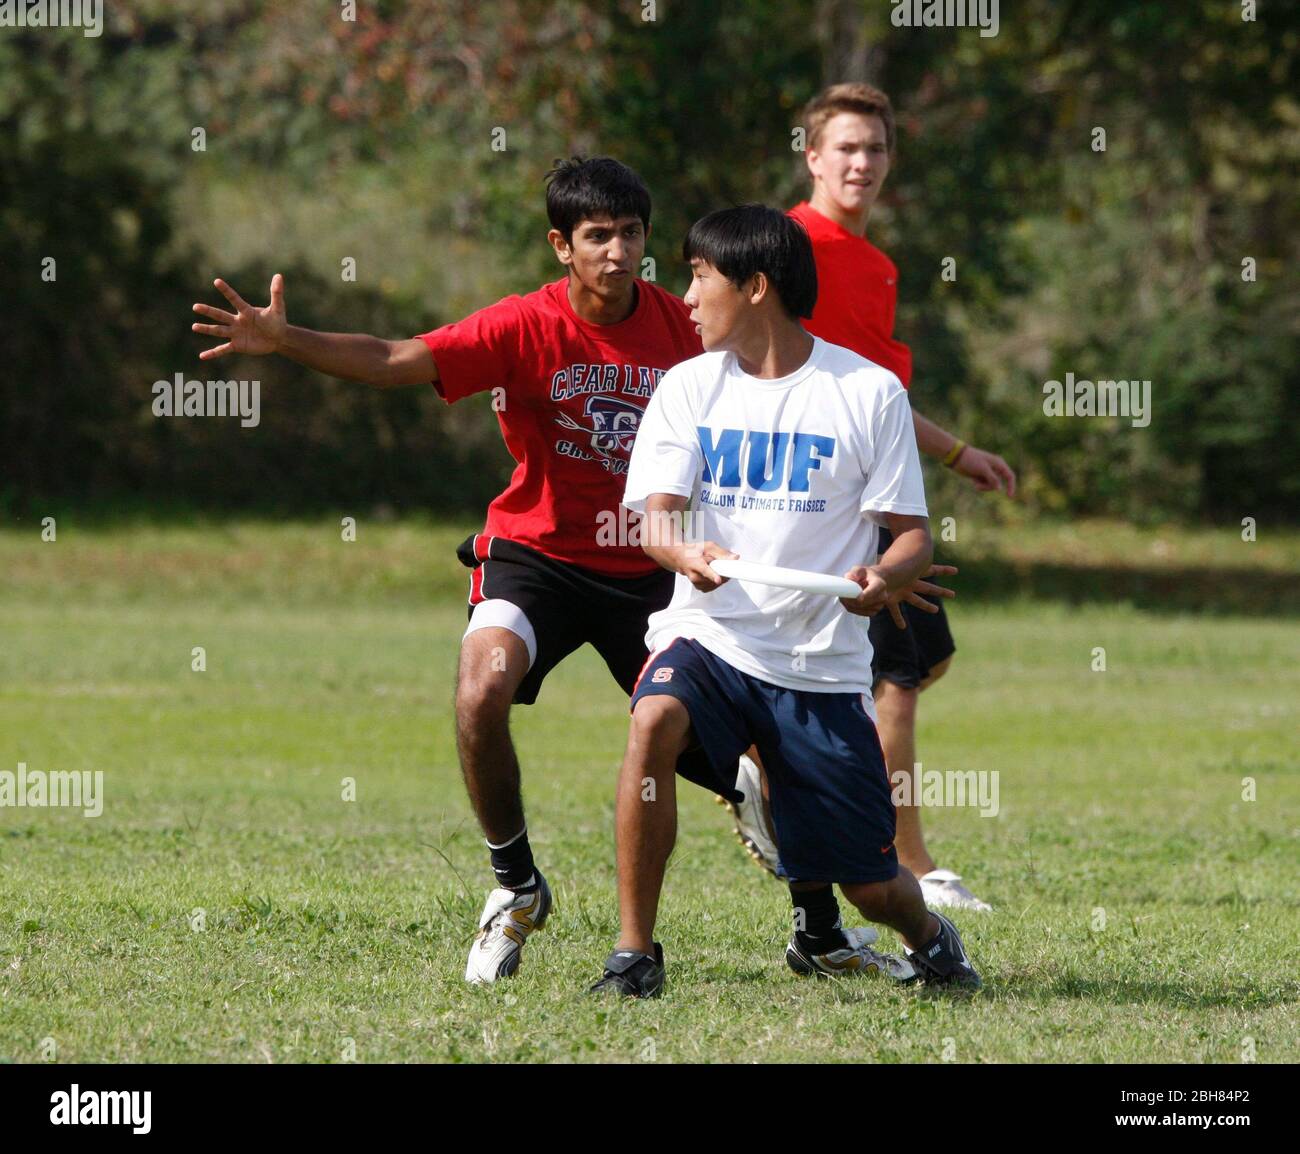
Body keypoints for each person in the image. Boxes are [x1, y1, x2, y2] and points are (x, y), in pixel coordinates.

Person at [191, 157, 702, 983]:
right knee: (479, 690)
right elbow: (397, 356)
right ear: (561, 246)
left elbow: (772, 382)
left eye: (631, 234)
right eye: (597, 236)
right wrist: (286, 340)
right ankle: (515, 886)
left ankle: (816, 918)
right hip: (536, 556)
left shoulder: (685, 326)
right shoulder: (521, 325)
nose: (617, 252)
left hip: (651, 563)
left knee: (723, 749)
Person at [590, 204, 980, 997]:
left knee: (869, 885)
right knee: (653, 719)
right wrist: (682, 552)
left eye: (700, 277)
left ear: (756, 286)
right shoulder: (687, 387)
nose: (687, 297)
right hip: (711, 637)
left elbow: (912, 537)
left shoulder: (866, 393)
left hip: (819, 668)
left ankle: (934, 939)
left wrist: (887, 578)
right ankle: (634, 957)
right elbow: (653, 518)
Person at [725, 83, 1015, 911]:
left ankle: (769, 770)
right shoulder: (786, 248)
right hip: (823, 505)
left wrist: (958, 453)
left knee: (909, 664)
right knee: (897, 671)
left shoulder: (875, 264)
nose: (862, 163)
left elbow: (874, 392)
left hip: (874, 493)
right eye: (845, 147)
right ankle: (908, 863)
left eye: (876, 149)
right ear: (810, 156)